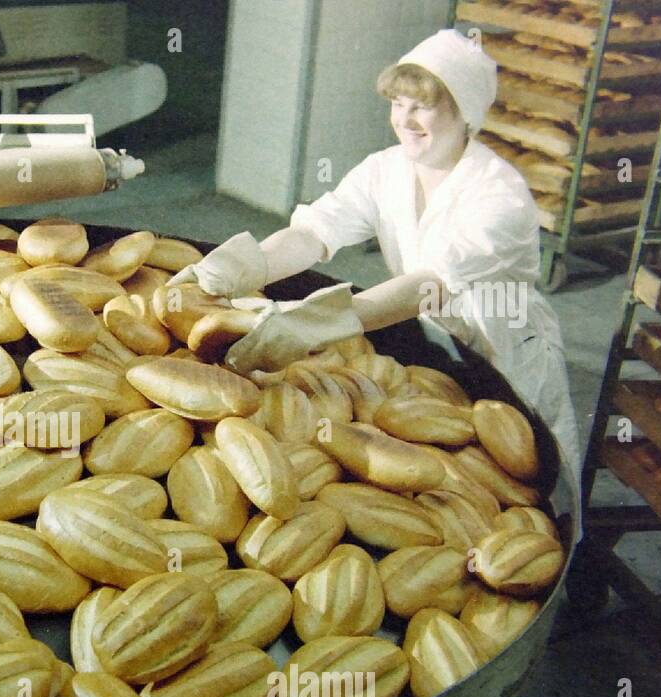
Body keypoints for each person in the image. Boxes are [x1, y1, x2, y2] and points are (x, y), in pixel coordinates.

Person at [172, 29, 580, 491]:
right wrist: (243, 266)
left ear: (464, 112)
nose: (405, 119)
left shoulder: (498, 193)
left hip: (502, 349)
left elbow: (432, 283)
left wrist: (317, 323)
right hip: (434, 341)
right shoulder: (387, 169)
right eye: (397, 103)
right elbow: (315, 232)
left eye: (422, 105)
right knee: (439, 472)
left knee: (523, 483)